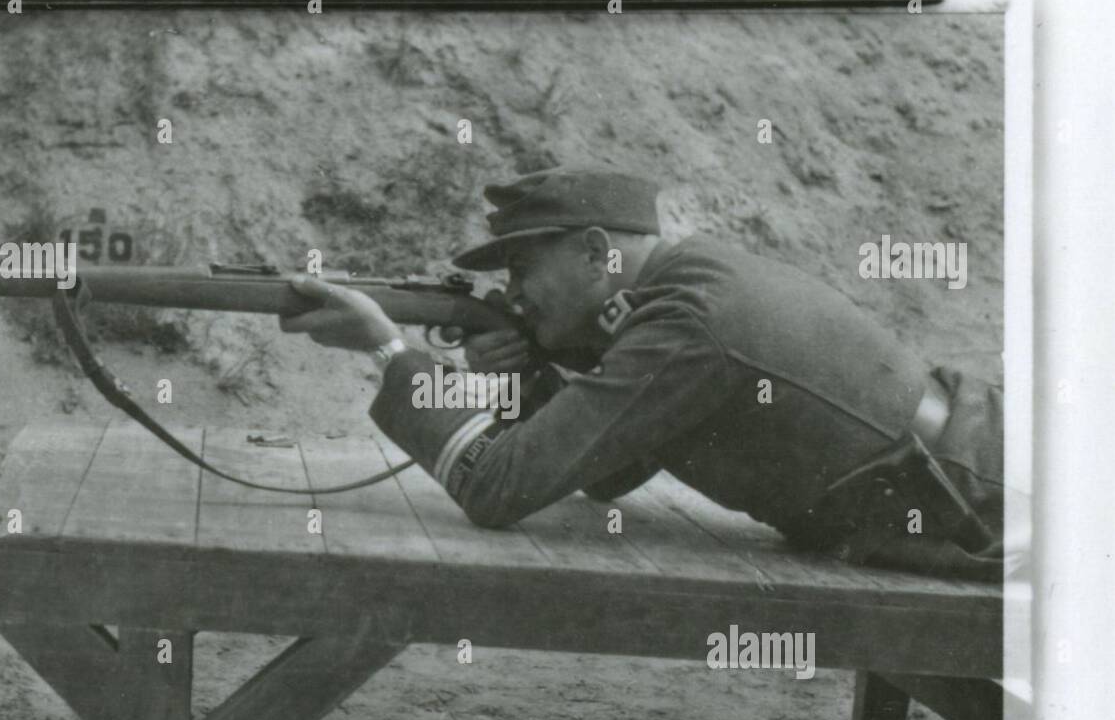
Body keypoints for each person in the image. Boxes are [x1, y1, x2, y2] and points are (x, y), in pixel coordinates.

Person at [280, 166, 1012, 580]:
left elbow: (498, 490)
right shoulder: (684, 285)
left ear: (598, 251)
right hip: (960, 476)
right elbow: (610, 471)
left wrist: (386, 350)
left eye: (525, 268)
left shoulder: (685, 323)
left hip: (987, 507)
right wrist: (530, 374)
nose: (513, 294)